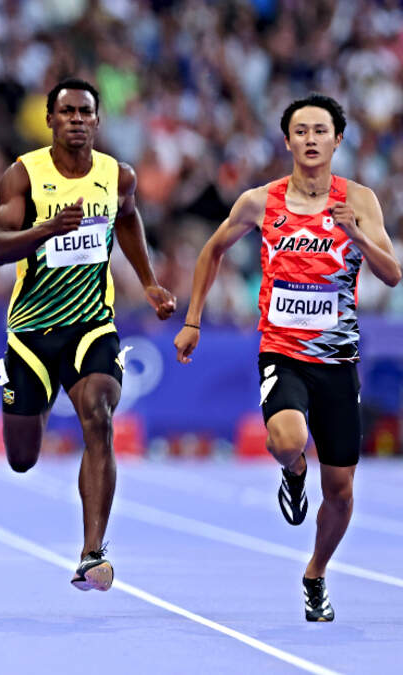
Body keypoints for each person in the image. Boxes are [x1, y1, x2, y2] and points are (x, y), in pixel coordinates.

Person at [174, 94, 401, 622]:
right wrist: (193, 320)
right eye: (301, 131)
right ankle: (293, 469)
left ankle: (316, 572)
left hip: (338, 361)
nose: (311, 139)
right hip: (283, 352)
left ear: (337, 139)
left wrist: (354, 234)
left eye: (321, 130)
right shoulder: (261, 201)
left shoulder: (361, 201)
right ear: (288, 141)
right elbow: (212, 249)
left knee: (341, 493)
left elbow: (391, 274)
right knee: (288, 439)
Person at [0, 78, 176, 591]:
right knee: (22, 459)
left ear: (97, 121)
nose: (75, 119)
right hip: (31, 332)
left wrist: (150, 282)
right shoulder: (23, 174)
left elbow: (129, 221)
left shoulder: (118, 176)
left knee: (99, 414)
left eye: (84, 112)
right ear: (50, 119)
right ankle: (29, 392)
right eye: (66, 111)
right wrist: (47, 229)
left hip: (93, 326)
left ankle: (92, 553)